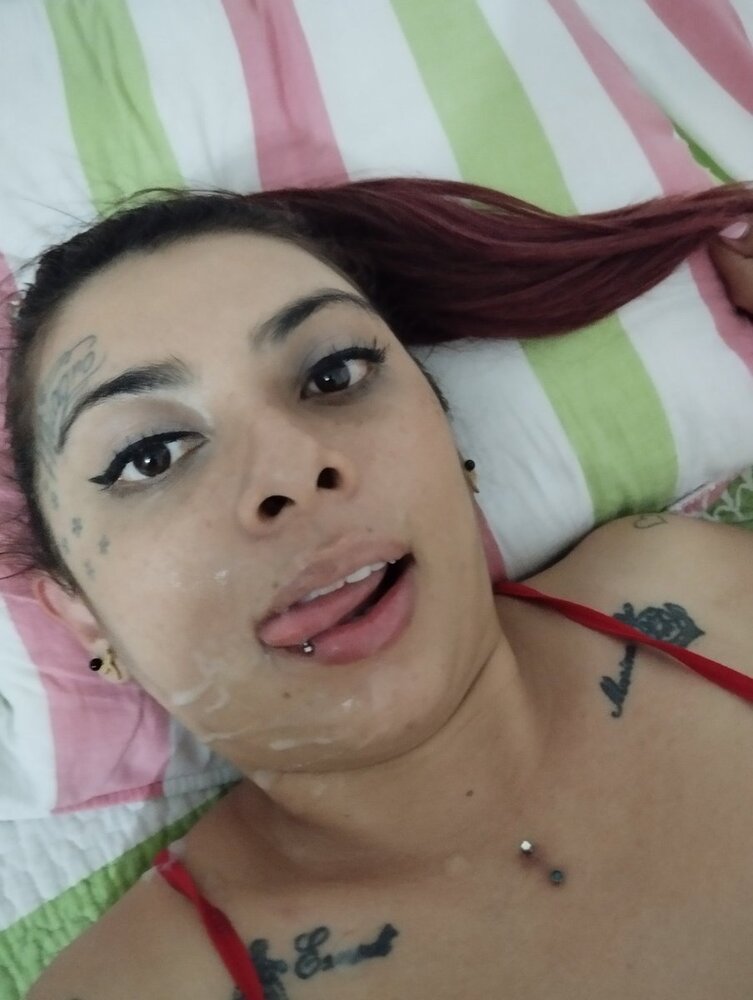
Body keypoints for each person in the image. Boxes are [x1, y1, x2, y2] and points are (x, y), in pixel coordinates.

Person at [8, 176, 753, 999]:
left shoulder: (684, 582)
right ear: (85, 620)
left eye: (334, 374)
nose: (292, 468)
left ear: (448, 439)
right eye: (150, 456)